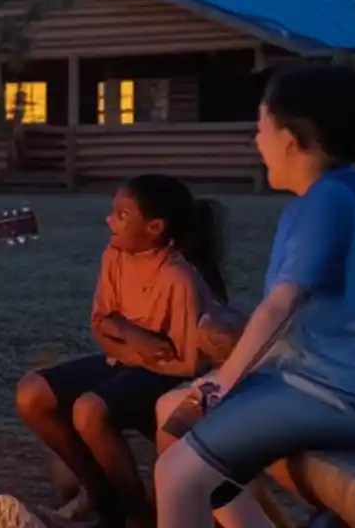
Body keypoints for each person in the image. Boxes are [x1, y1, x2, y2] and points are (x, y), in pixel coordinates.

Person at [155, 63, 355, 528]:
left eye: (260, 127)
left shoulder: (326, 200)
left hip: (346, 395)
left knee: (176, 474)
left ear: (290, 139)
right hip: (336, 383)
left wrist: (224, 381)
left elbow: (280, 305)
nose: (256, 141)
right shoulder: (352, 189)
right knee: (172, 409)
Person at [15, 174, 224, 528]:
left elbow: (186, 362)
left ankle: (136, 513)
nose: (109, 220)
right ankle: (103, 501)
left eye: (122, 215)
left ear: (154, 227)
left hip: (167, 377)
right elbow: (101, 324)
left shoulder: (178, 279)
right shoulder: (114, 256)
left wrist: (124, 339)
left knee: (89, 410)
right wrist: (132, 335)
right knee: (31, 393)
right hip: (128, 362)